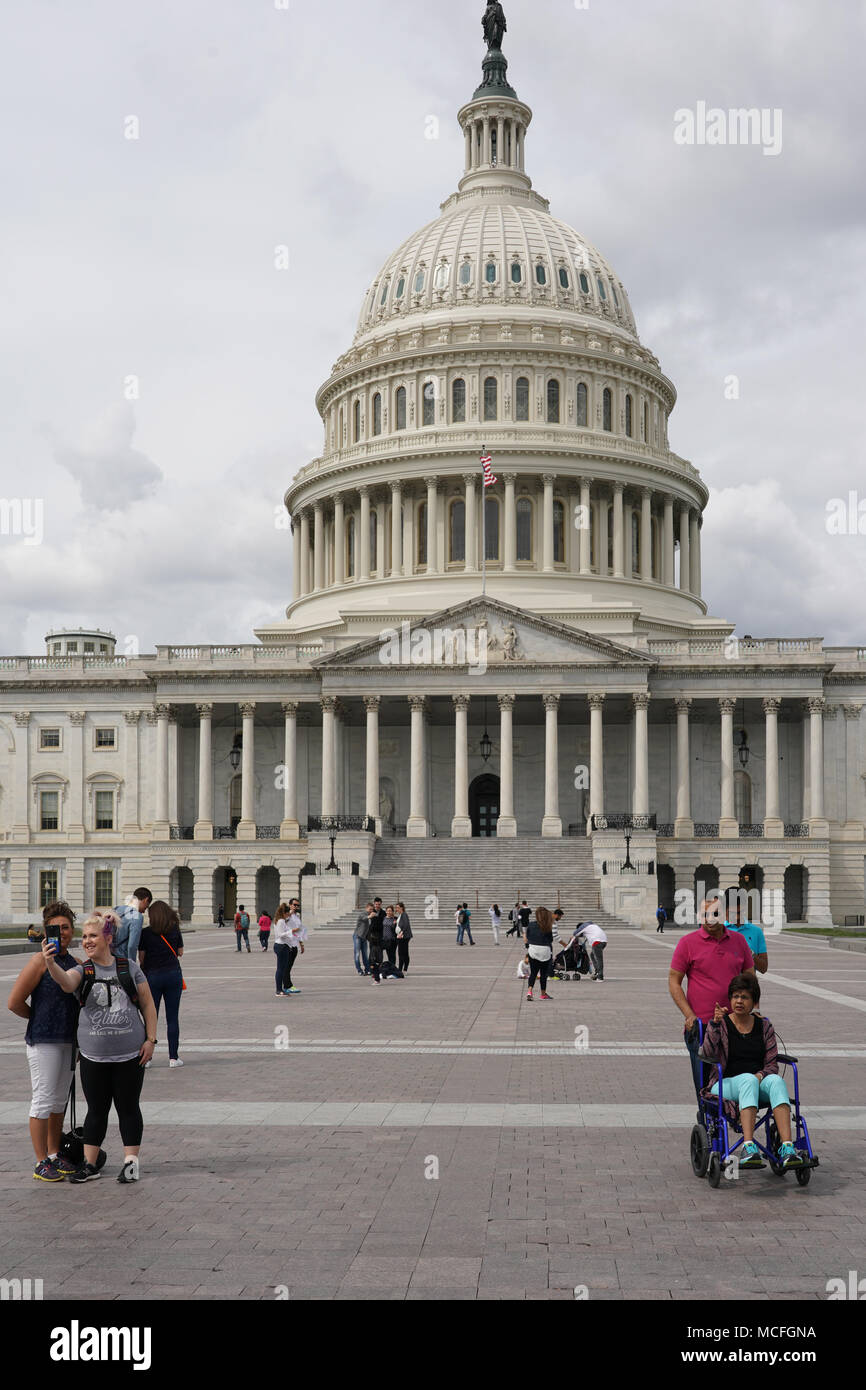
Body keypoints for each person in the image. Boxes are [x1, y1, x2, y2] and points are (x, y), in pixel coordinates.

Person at [41, 910, 158, 1184]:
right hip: (94, 1056)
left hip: (131, 1054)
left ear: (108, 937)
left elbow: (148, 1004)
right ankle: (90, 1164)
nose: (87, 941)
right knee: (96, 1110)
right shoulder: (84, 970)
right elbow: (66, 982)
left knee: (129, 1108)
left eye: (93, 936)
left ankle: (131, 1163)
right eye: (85, 937)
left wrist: (151, 1040)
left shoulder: (128, 967)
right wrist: (50, 963)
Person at [6, 900, 81, 1182]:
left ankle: (54, 1154)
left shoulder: (73, 963)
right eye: (55, 928)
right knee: (42, 1099)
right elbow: (14, 1002)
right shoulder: (39, 960)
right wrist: (39, 1018)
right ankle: (40, 1161)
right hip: (44, 1041)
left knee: (59, 1100)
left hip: (68, 1041)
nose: (61, 932)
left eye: (66, 927)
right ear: (45, 930)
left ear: (72, 930)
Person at [699, 973, 801, 1168]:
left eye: (744, 997)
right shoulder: (722, 1023)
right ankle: (748, 1146)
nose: (739, 1001)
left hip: (756, 1081)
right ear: (730, 998)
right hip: (725, 1084)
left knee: (777, 1081)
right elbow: (707, 1053)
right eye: (736, 996)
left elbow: (772, 1064)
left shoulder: (764, 1026)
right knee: (748, 1079)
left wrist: (761, 1075)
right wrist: (714, 1024)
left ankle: (787, 1148)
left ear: (754, 1002)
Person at [669, 897, 755, 1101]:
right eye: (704, 914)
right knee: (705, 1083)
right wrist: (689, 1015)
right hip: (702, 1026)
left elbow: (751, 979)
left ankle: (733, 1117)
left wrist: (754, 1008)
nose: (709, 918)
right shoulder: (688, 943)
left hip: (736, 1025)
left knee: (736, 1078)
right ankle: (708, 1124)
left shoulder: (739, 941)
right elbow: (674, 981)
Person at [138, 900, 185, 1068]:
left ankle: (147, 1058)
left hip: (152, 976)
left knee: (151, 1017)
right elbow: (180, 952)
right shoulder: (174, 930)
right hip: (173, 975)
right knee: (173, 1018)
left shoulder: (146, 933)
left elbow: (141, 957)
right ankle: (173, 1058)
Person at [723, 887, 768, 974]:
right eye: (733, 913)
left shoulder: (756, 932)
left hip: (747, 986)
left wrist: (749, 953)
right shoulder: (718, 930)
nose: (737, 917)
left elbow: (763, 968)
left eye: (740, 912)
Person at [112, 888, 152, 963]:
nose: (144, 911)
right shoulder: (137, 916)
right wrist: (132, 964)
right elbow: (132, 946)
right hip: (122, 959)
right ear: (145, 900)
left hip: (108, 956)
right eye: (146, 907)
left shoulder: (117, 909)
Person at [524, 905, 554, 1001]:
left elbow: (527, 937)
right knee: (543, 974)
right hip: (545, 951)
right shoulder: (548, 926)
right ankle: (543, 994)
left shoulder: (531, 924)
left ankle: (529, 991)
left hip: (533, 950)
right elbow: (550, 940)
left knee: (533, 973)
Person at [283, 898, 306, 993]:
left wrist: (301, 944)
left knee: (289, 965)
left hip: (294, 944)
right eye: (294, 905)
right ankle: (287, 986)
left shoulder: (297, 916)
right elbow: (282, 922)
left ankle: (287, 985)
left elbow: (299, 930)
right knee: (286, 966)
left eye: (298, 905)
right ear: (290, 905)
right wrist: (289, 913)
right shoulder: (287, 915)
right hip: (287, 944)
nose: (296, 907)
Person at [353, 903, 373, 976]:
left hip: (364, 937)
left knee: (365, 954)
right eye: (370, 909)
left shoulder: (370, 916)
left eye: (372, 909)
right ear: (366, 908)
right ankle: (359, 970)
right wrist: (370, 916)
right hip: (357, 936)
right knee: (357, 954)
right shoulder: (362, 914)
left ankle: (367, 970)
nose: (371, 911)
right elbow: (364, 918)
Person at [367, 901, 384, 983]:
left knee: (379, 955)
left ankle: (378, 971)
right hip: (372, 937)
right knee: (371, 955)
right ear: (374, 904)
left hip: (380, 937)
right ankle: (372, 971)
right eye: (376, 904)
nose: (377, 906)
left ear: (381, 904)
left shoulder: (383, 913)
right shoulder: (371, 912)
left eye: (379, 904)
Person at [395, 902, 412, 973]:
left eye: (398, 908)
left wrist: (401, 933)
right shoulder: (400, 915)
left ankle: (404, 969)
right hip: (401, 936)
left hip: (404, 937)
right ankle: (401, 968)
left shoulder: (404, 914)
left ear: (401, 908)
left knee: (403, 953)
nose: (396, 909)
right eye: (396, 908)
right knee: (401, 953)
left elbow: (406, 925)